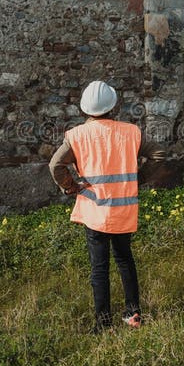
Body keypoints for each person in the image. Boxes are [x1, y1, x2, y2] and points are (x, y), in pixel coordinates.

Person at [49, 80, 166, 333]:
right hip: (123, 210)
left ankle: (103, 324)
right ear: (113, 105)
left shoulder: (77, 135)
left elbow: (55, 166)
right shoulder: (130, 132)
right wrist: (139, 177)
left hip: (95, 212)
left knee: (99, 267)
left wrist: (70, 187)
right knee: (125, 259)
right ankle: (133, 314)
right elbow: (158, 155)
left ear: (84, 108)